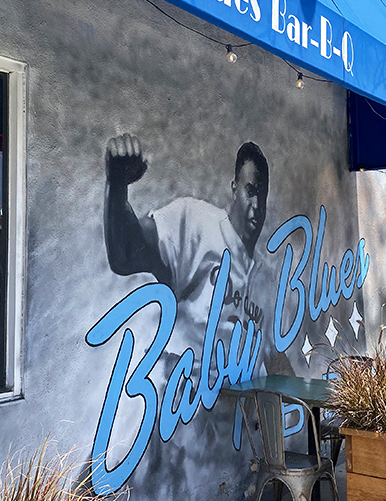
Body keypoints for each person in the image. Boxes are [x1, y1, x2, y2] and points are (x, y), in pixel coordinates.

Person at [104, 133, 269, 358]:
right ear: (234, 189)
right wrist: (117, 185)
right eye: (250, 192)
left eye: (262, 195)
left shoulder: (265, 276)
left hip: (235, 391)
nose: (257, 205)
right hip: (181, 387)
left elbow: (270, 353)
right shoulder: (196, 221)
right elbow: (125, 255)